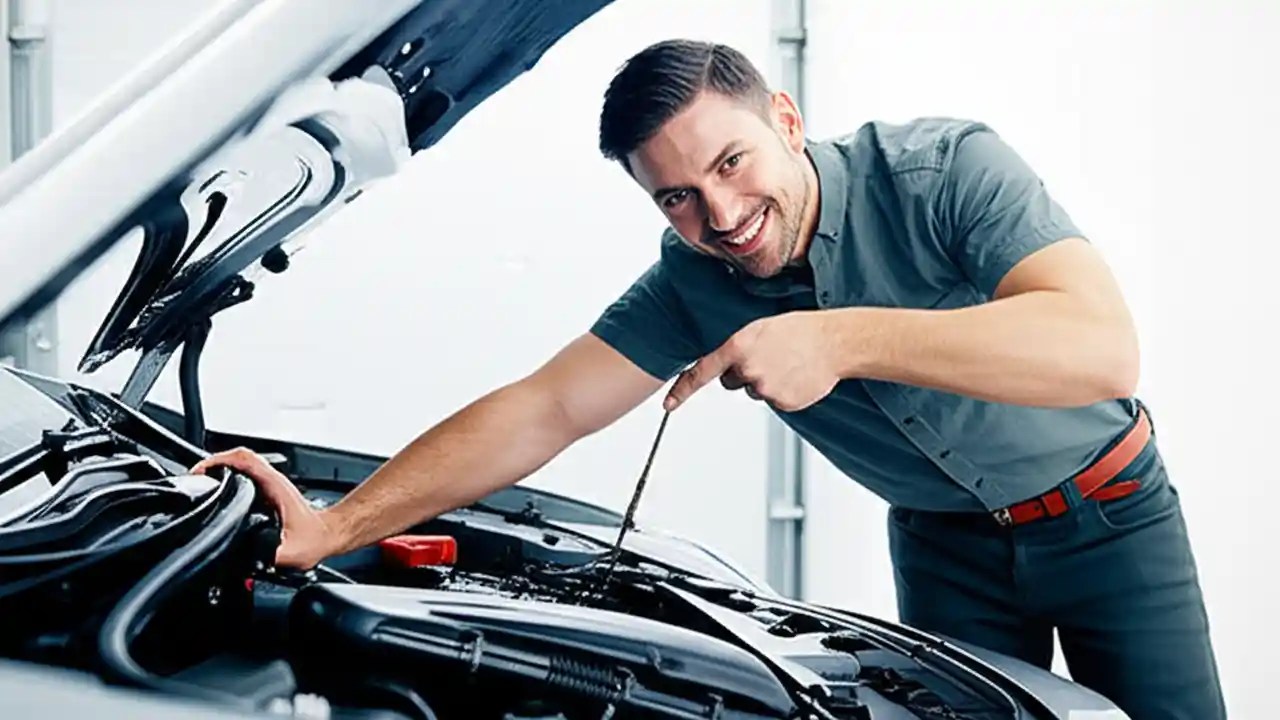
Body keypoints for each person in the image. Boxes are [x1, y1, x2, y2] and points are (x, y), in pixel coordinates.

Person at [193, 39, 1225, 719]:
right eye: (676, 197)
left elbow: (1097, 348)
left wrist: (841, 339)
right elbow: (543, 407)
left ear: (781, 117)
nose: (718, 216)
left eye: (730, 164)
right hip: (943, 545)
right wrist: (337, 528)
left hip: (1106, 518)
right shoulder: (693, 282)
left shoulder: (945, 171)